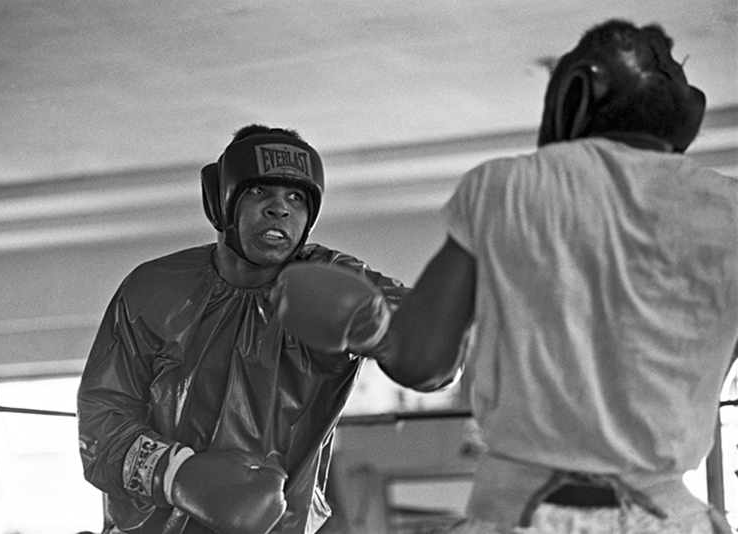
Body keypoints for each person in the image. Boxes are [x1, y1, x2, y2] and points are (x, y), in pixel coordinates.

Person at [276, 19, 738, 534]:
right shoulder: (731, 209)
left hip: (524, 514)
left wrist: (372, 330)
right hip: (672, 519)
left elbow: (424, 361)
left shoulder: (509, 187)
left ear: (576, 92)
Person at [76, 124, 409, 534]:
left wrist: (383, 330)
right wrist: (178, 475)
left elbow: (439, 342)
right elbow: (100, 426)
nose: (279, 209)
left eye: (296, 197)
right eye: (258, 191)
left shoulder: (333, 278)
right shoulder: (152, 291)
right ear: (220, 201)